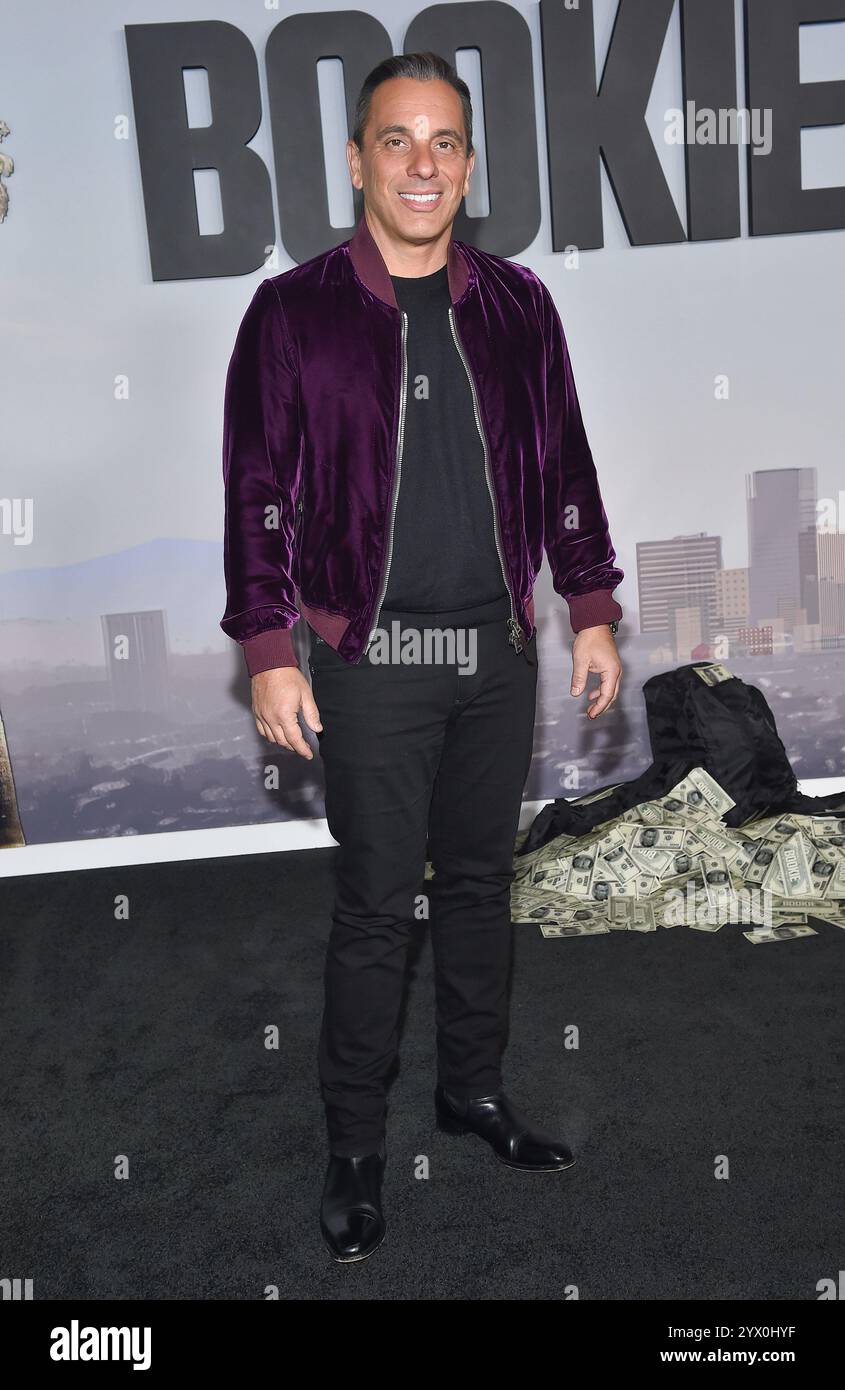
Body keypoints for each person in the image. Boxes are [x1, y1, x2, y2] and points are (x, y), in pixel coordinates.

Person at [220, 52, 624, 1264]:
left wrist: (589, 604)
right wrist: (267, 647)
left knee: (479, 891)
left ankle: (471, 1091)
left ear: (467, 165)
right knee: (376, 907)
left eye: (443, 141)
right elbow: (254, 493)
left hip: (496, 653)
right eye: (396, 140)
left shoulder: (517, 307)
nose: (421, 164)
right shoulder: (291, 313)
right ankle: (352, 1142)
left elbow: (563, 468)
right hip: (369, 658)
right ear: (355, 161)